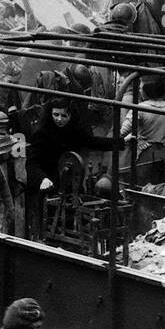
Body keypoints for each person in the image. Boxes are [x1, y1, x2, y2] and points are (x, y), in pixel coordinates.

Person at [20, 98, 120, 238]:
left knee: (70, 220)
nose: (59, 119)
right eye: (56, 115)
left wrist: (119, 143)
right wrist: (42, 179)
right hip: (48, 184)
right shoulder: (42, 133)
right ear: (50, 114)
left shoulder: (75, 131)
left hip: (70, 183)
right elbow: (31, 163)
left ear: (71, 116)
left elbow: (92, 142)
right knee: (48, 225)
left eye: (64, 116)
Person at [121, 76, 165, 185]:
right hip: (164, 154)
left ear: (148, 91)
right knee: (163, 189)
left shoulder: (139, 109)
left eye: (141, 88)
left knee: (143, 189)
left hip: (144, 155)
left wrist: (131, 138)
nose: (139, 90)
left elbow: (122, 132)